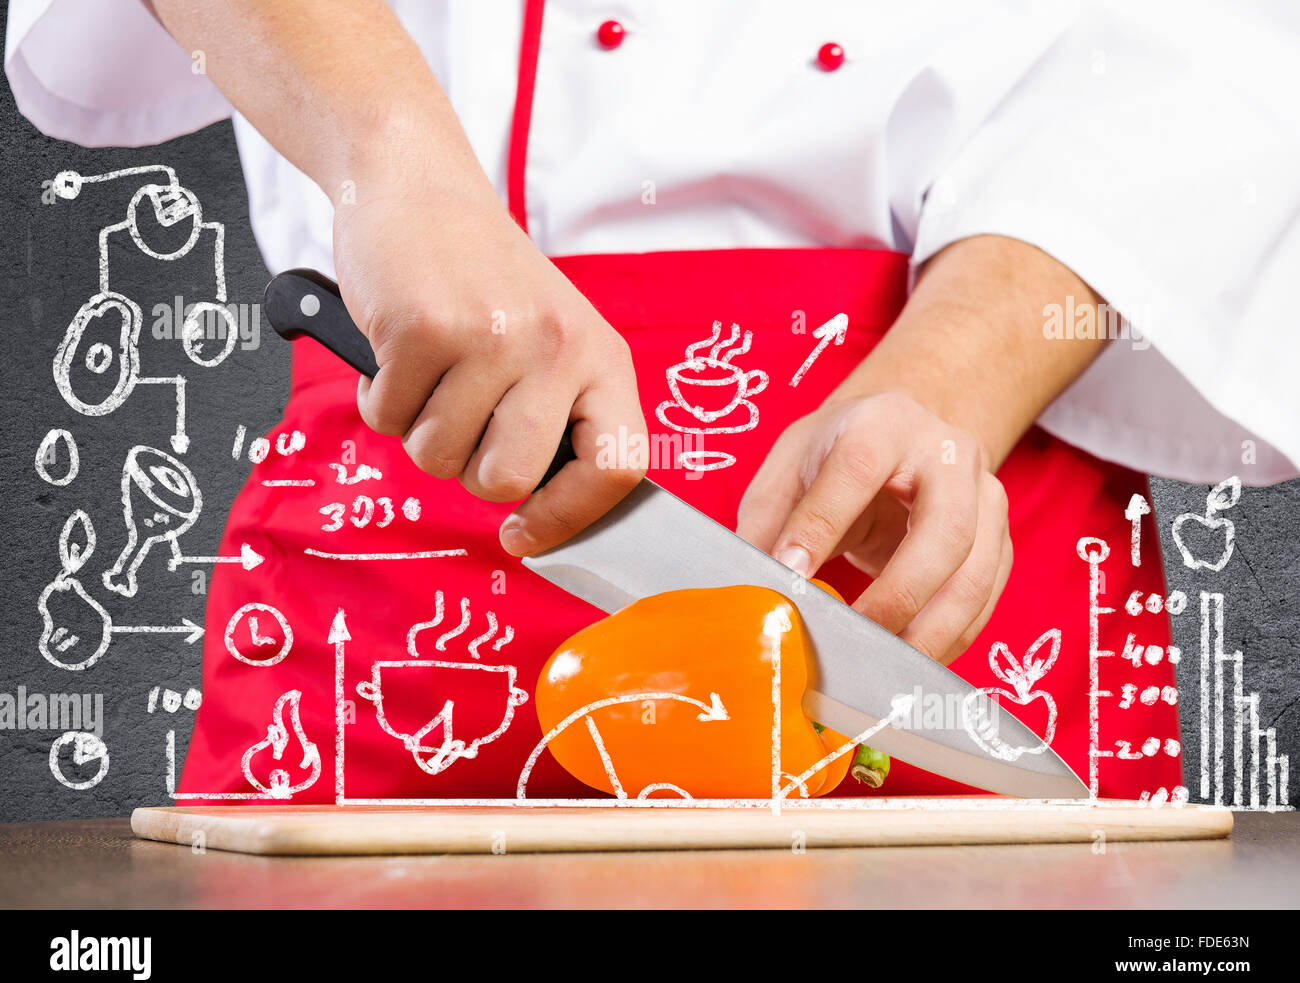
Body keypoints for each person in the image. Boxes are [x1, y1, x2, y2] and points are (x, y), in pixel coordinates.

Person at [9, 0, 1298, 801]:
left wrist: (951, 376)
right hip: (401, 507)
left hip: (926, 547)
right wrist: (394, 164)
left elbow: (1211, 45)